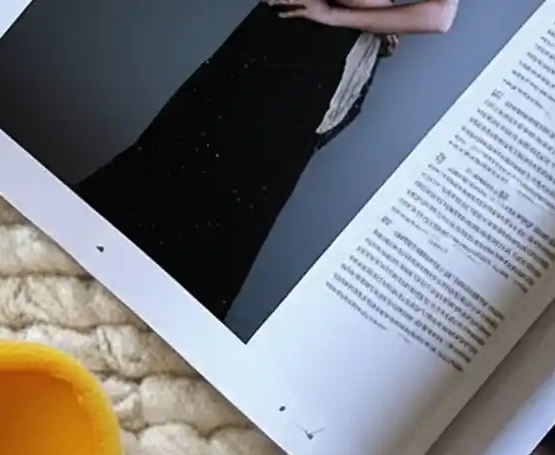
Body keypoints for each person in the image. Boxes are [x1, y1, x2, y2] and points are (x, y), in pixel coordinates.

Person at [73, 0, 461, 321]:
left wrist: (343, 14)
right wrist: (381, 15)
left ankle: (130, 316)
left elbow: (436, 15)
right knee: (174, 171)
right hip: (285, 45)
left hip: (308, 60)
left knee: (220, 209)